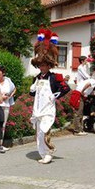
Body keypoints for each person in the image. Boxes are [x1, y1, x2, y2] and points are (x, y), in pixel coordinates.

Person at [30, 31, 69, 164]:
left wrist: (55, 95)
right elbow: (33, 93)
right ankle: (43, 153)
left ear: (48, 65)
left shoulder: (54, 77)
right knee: (38, 134)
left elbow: (66, 88)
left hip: (48, 109)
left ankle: (48, 151)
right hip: (38, 109)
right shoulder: (36, 78)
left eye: (43, 65)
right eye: (40, 65)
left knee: (44, 131)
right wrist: (33, 89)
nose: (41, 67)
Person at [0, 66, 16, 151]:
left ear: (3, 73)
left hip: (6, 105)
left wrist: (10, 96)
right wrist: (0, 97)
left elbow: (14, 89)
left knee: (3, 125)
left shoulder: (8, 81)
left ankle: (0, 144)